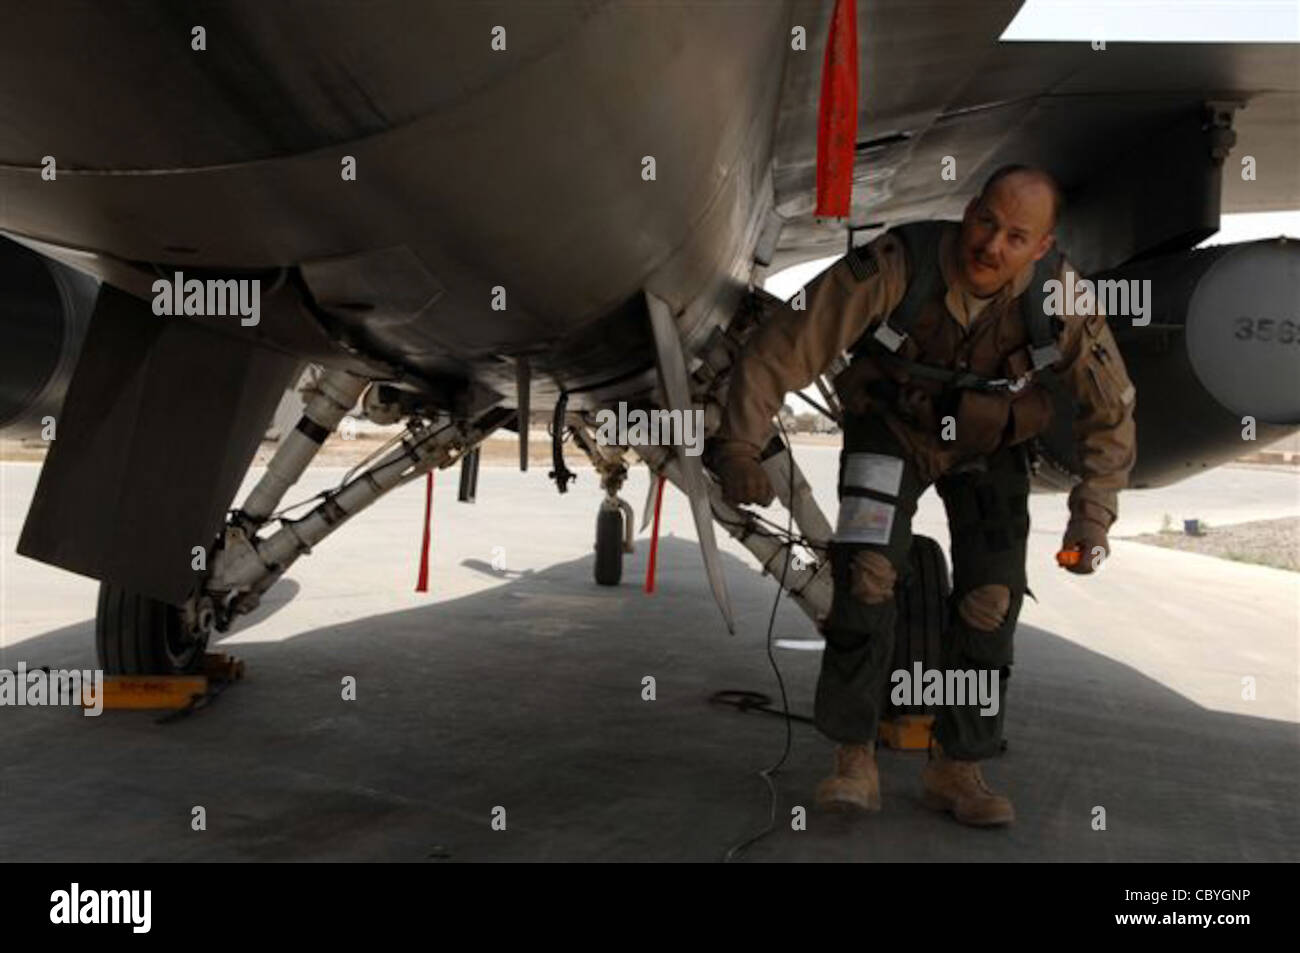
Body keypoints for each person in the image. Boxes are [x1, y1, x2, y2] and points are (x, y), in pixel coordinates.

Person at [711, 165, 1136, 826]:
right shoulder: (895, 264)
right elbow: (784, 346)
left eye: (1016, 237)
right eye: (986, 222)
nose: (993, 245)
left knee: (991, 601)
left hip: (987, 443)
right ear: (968, 211)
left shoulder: (1062, 299)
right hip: (892, 432)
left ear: (1043, 247)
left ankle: (957, 764)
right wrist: (739, 444)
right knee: (869, 576)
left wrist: (1093, 515)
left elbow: (1112, 409)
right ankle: (854, 755)